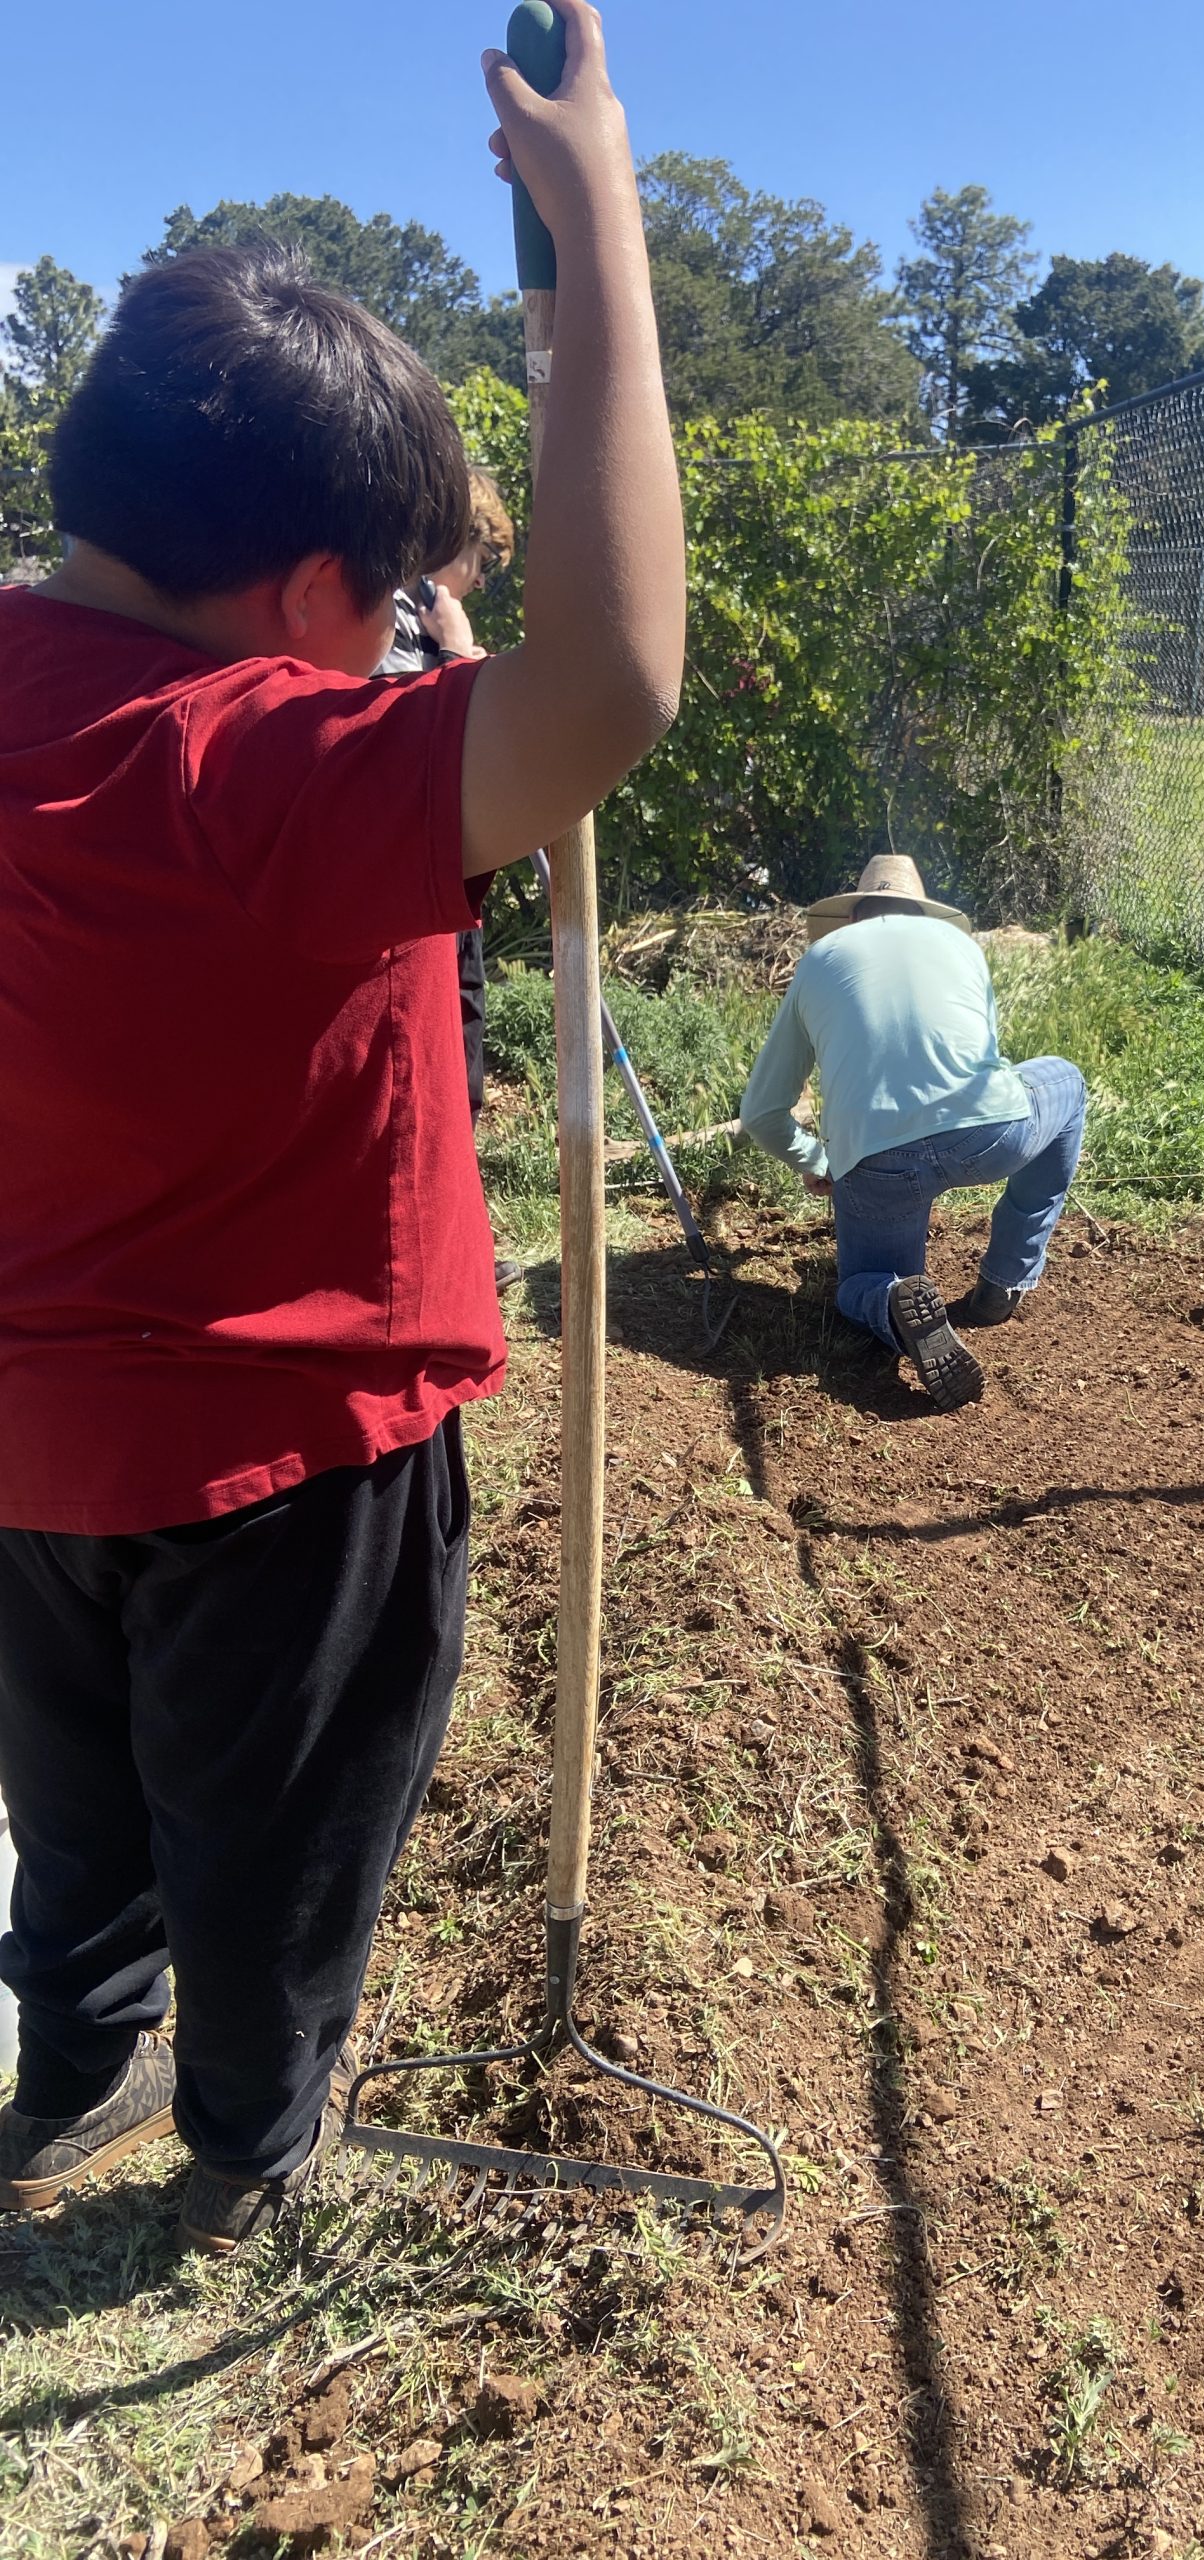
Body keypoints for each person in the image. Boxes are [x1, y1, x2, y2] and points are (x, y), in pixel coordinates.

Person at [0, 0, 682, 2251]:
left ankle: (68, 2062)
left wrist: (400, 643)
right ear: (310, 605)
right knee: (276, 1821)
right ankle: (247, 2133)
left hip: (32, 1432)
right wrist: (594, 217)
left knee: (71, 1792)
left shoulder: (117, 710)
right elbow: (604, 689)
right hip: (287, 1454)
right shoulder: (259, 782)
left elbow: (347, 672)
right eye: (379, 605)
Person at [737, 855, 1087, 1412]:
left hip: (876, 1163)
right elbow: (988, 1056)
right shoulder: (963, 948)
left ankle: (892, 1299)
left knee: (861, 1282)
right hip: (986, 1134)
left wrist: (818, 1160)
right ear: (923, 910)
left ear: (853, 915)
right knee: (1065, 1081)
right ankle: (1004, 1281)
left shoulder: (820, 959)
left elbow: (760, 1112)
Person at [380, 470, 522, 1288]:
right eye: (481, 562)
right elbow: (427, 740)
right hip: (424, 883)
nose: (479, 581)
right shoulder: (405, 621)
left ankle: (455, 1249)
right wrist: (462, 650)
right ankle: (443, 1260)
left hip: (427, 882)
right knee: (443, 1073)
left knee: (448, 1074)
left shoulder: (394, 619)